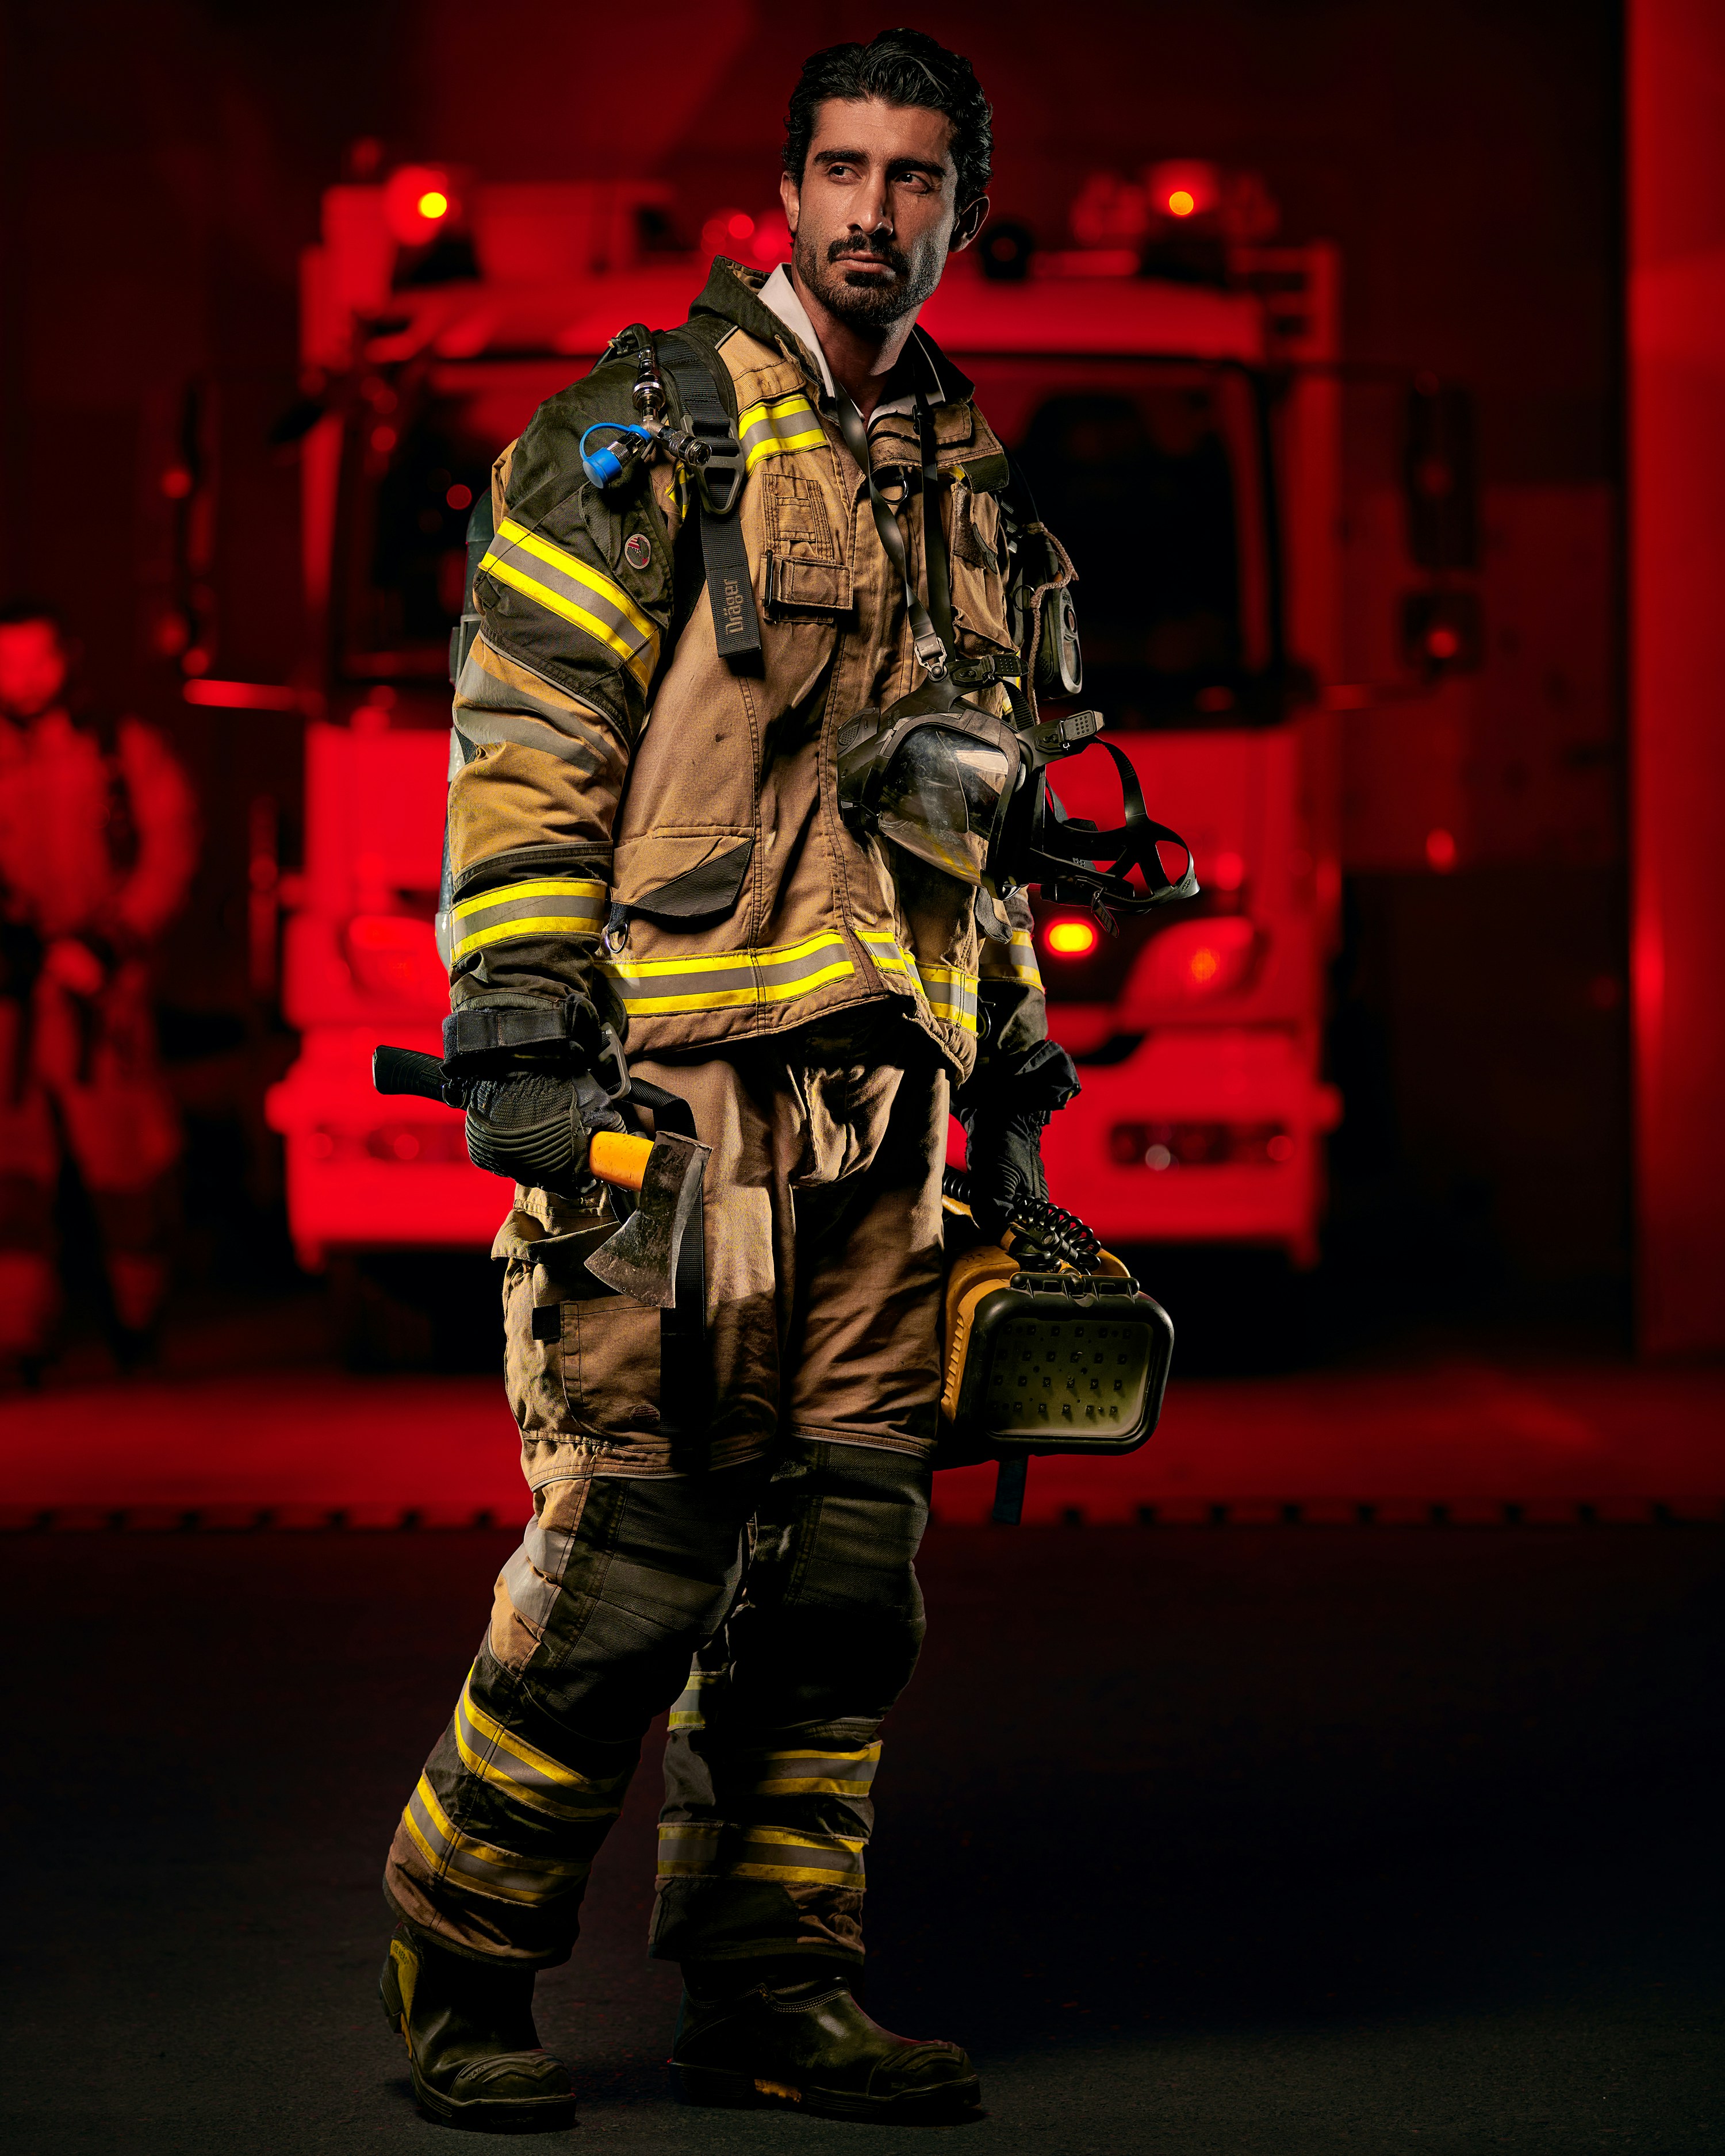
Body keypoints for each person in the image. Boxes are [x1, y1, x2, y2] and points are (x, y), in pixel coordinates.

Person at [379, 29, 1082, 2130]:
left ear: (965, 210)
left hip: (886, 1123)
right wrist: (521, 1023)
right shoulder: (640, 434)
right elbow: (530, 735)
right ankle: (461, 1956)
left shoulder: (969, 485)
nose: (876, 211)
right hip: (670, 1116)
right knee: (630, 1560)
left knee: (844, 1580)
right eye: (843, 170)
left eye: (917, 177)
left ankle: (777, 1988)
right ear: (787, 193)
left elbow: (983, 818)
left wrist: (1012, 1068)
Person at [0, 600, 198, 1378]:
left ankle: (139, 1321)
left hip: (103, 1002)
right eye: (7, 662)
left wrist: (113, 940)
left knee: (128, 1167)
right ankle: (18, 1334)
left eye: (35, 659)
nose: (22, 679)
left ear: (67, 659)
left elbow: (170, 848)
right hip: (13, 1004)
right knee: (13, 1177)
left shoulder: (123, 746)